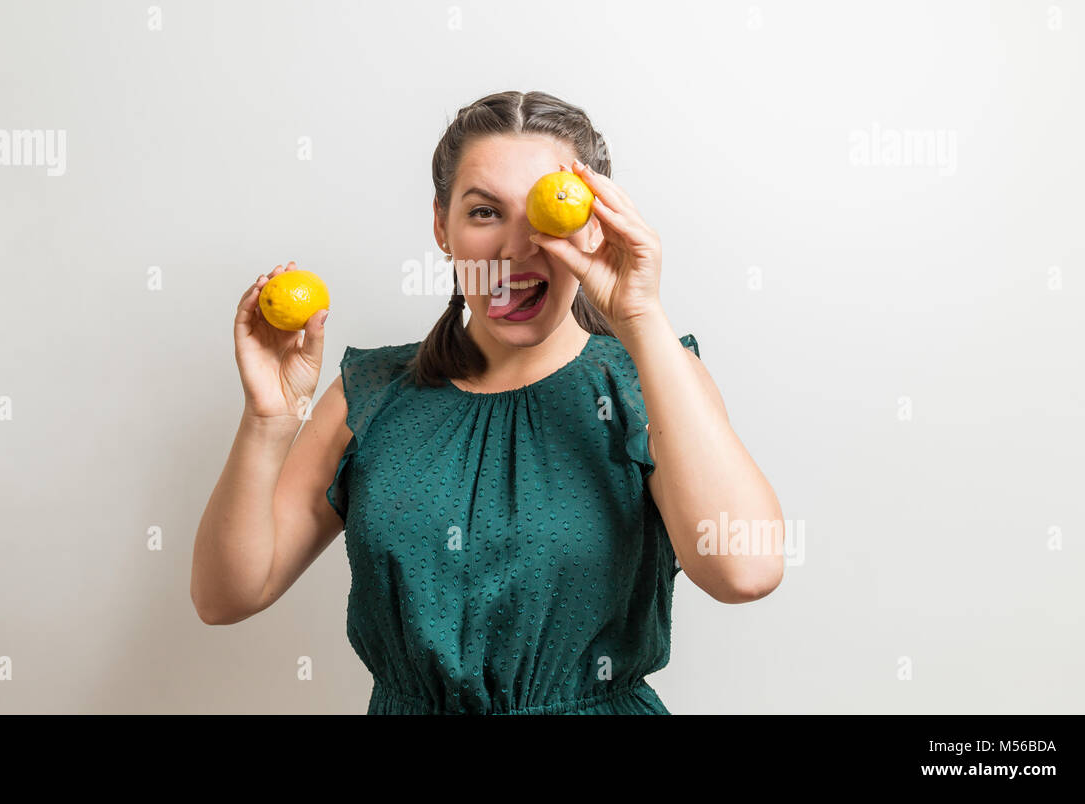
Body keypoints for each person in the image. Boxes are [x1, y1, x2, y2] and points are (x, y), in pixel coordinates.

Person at [192, 90, 785, 714]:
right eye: (484, 213)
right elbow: (224, 596)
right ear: (440, 226)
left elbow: (745, 571)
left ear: (594, 223)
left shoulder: (648, 381)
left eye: (545, 213)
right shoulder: (372, 396)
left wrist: (640, 314)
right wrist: (268, 418)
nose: (514, 248)